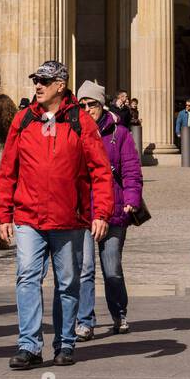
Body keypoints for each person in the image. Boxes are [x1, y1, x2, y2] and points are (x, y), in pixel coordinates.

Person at [0, 60, 114, 370]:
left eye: (44, 81)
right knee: (27, 278)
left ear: (61, 85)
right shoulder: (22, 121)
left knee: (68, 282)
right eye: (36, 80)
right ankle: (29, 346)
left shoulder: (81, 122)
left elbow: (100, 171)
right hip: (28, 217)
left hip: (69, 219)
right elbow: (7, 171)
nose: (38, 86)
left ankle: (65, 343)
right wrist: (3, 215)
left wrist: (101, 212)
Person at [75, 80, 143, 340]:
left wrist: (131, 199)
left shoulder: (120, 134)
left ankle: (119, 312)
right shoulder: (74, 132)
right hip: (83, 212)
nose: (87, 109)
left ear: (101, 104)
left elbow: (132, 172)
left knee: (112, 267)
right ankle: (85, 321)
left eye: (91, 104)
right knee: (84, 269)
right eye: (82, 105)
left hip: (114, 209)